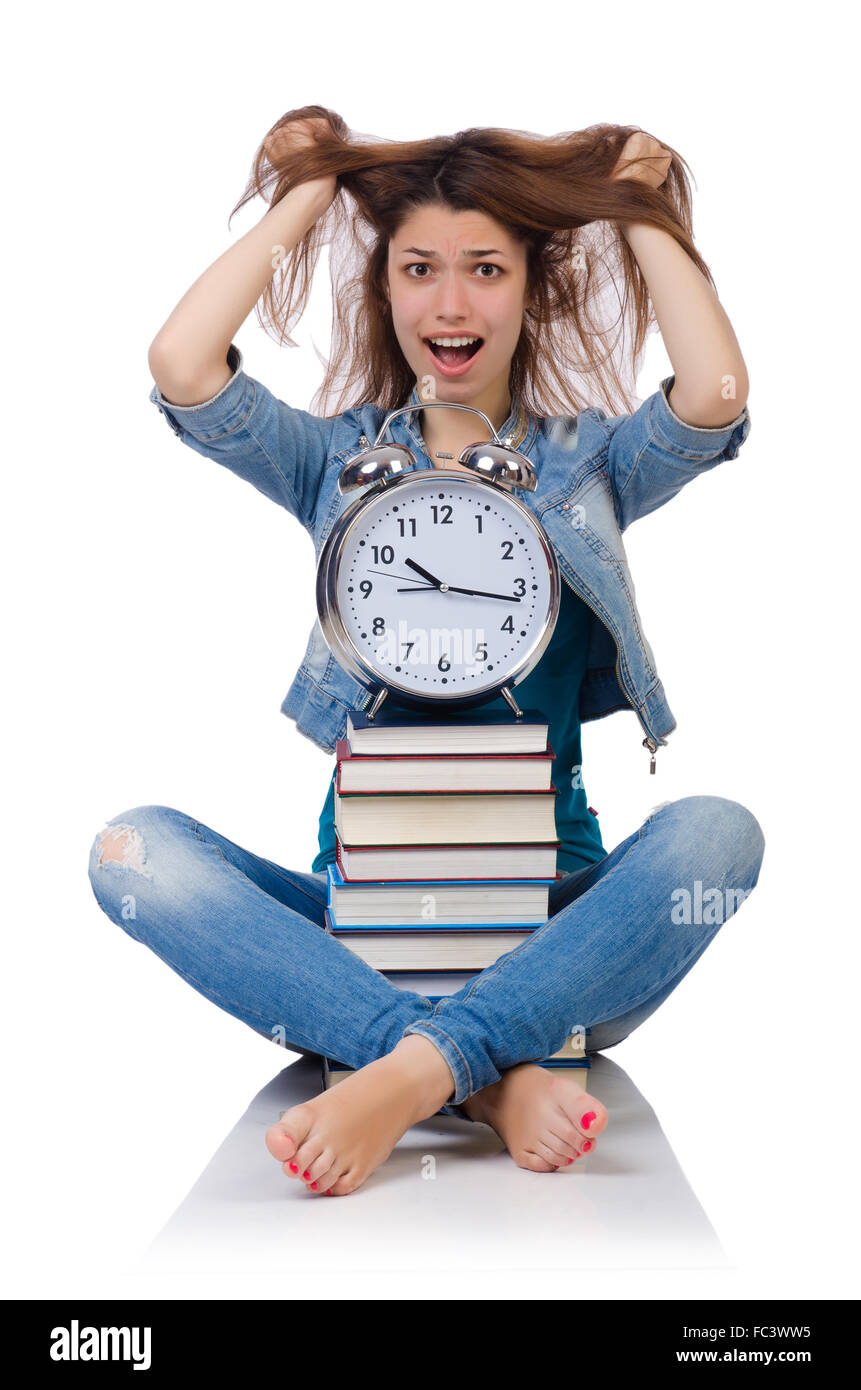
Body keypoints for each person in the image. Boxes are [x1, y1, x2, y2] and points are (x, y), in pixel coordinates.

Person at [89, 108, 765, 1198]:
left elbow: (716, 396)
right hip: (362, 921)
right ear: (388, 291)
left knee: (718, 838)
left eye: (487, 269)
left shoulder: (586, 460)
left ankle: (402, 1066)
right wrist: (311, 187)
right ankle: (479, 1075)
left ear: (529, 293)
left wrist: (643, 208)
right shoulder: (335, 460)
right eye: (418, 269)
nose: (451, 302)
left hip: (557, 927)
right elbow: (181, 365)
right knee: (133, 854)